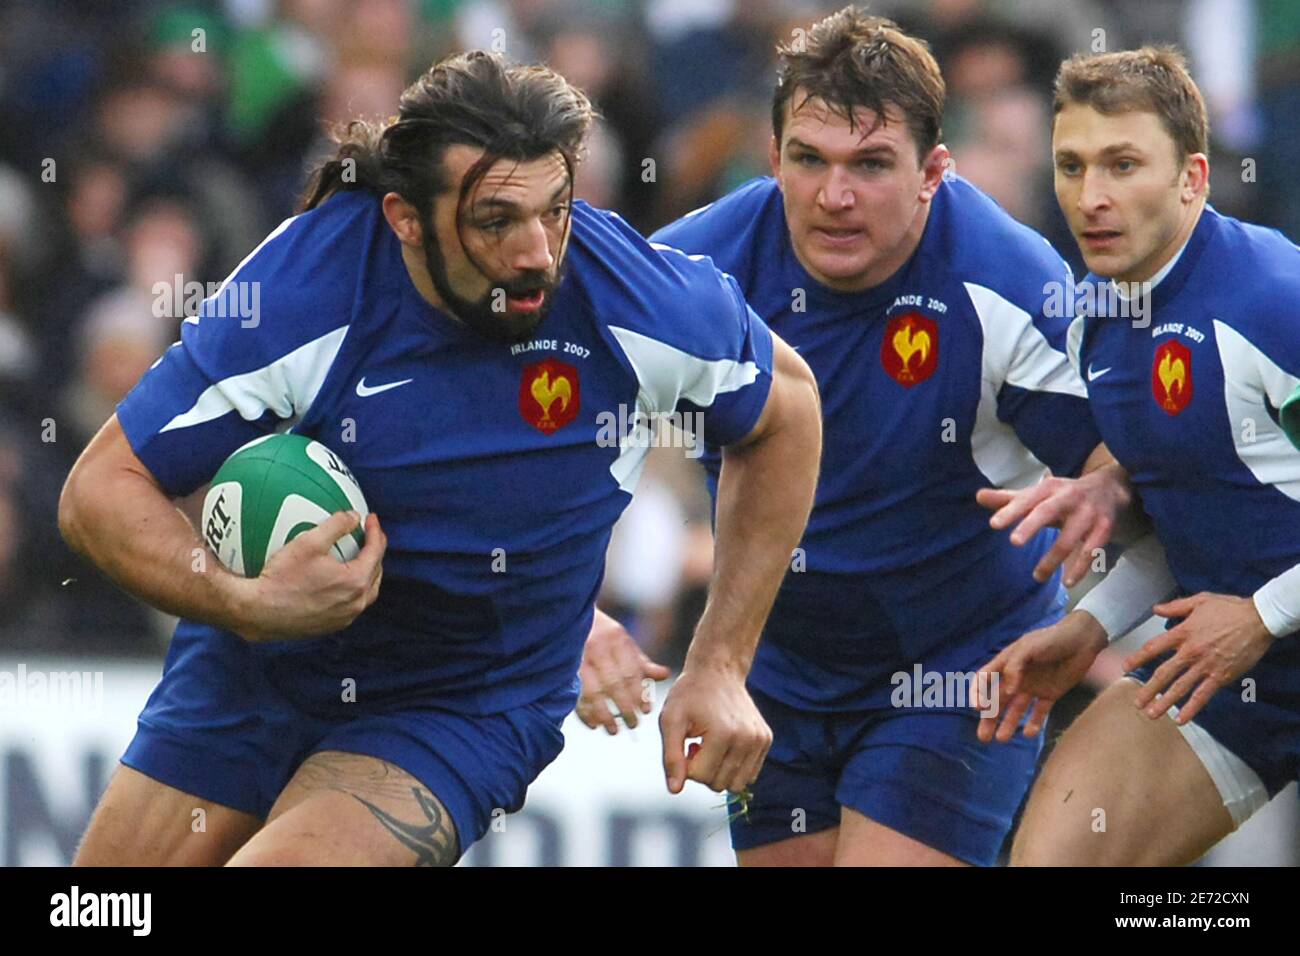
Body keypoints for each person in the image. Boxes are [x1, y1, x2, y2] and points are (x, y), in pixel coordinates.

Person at [58, 51, 822, 867]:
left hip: (459, 704)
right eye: (496, 220)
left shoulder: (632, 296)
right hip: (253, 671)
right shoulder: (308, 287)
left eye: (556, 210)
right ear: (405, 218)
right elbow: (99, 492)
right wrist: (245, 603)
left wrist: (720, 664)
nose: (538, 252)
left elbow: (790, 409)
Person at [578, 8, 1130, 867]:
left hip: (959, 669)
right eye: (810, 160)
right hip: (768, 664)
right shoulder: (696, 271)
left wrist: (1101, 553)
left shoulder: (1009, 282)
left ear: (932, 171)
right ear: (773, 159)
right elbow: (543, 445)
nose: (835, 196)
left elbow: (1123, 465)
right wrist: (578, 619)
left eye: (871, 165)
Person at [975, 46, 1300, 866]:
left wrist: (1262, 616)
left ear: (1192, 177)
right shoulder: (1099, 324)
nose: (1093, 198)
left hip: (1252, 637)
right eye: (1072, 166)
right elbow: (1193, 520)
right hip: (1234, 676)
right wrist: (1088, 627)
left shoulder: (1271, 299)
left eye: (1123, 165)